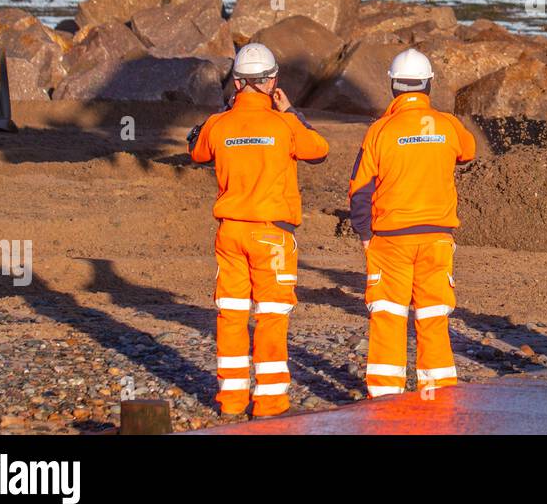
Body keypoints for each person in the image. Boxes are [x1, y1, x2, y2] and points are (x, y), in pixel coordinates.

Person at [188, 42, 330, 418]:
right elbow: (319, 149)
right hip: (273, 236)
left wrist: (227, 111)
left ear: (236, 82)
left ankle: (231, 401)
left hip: (231, 232)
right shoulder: (285, 124)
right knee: (271, 316)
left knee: (231, 314)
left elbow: (197, 150)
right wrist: (291, 111)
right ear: (272, 82)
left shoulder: (220, 125)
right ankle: (269, 403)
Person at [347, 48, 475, 397]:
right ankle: (439, 396)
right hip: (437, 239)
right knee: (433, 317)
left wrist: (364, 234)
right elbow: (468, 151)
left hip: (390, 240)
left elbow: (359, 190)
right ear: (429, 84)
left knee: (388, 316)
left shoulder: (380, 130)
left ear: (392, 86)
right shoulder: (449, 125)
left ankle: (387, 399)